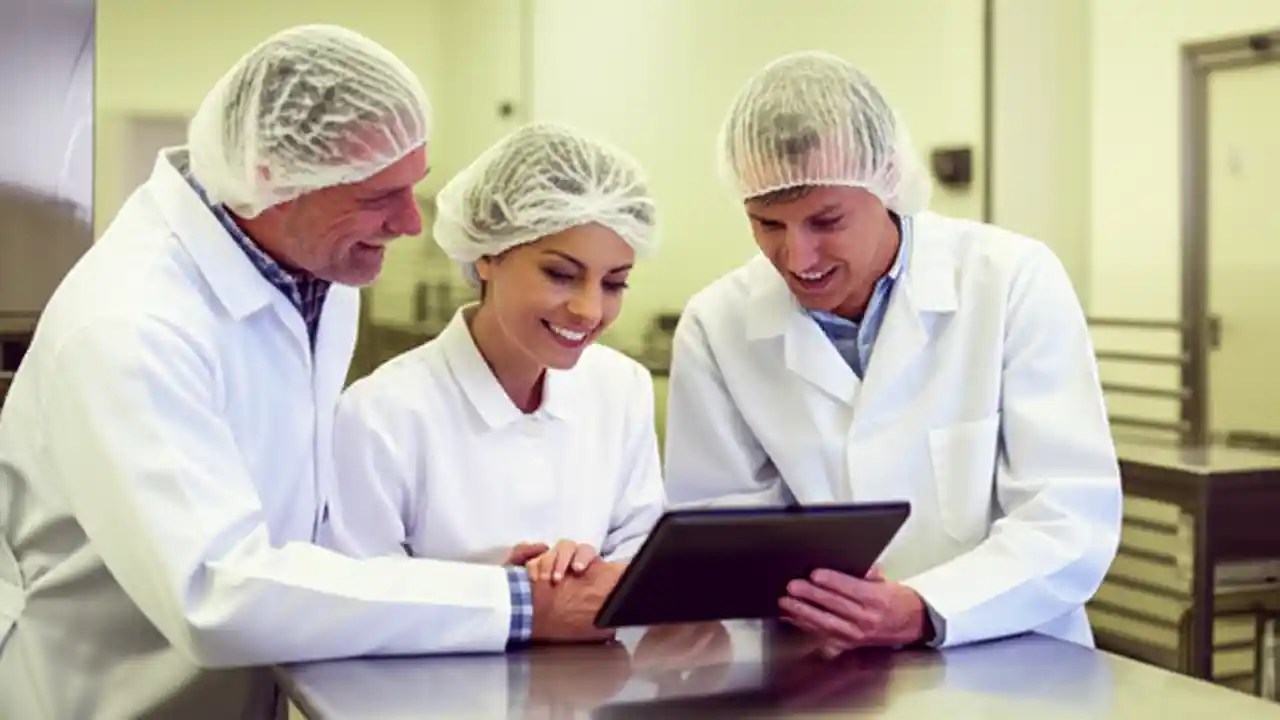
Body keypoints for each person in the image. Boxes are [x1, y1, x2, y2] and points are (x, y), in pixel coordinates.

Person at [0, 26, 615, 720]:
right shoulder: (132, 324)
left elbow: (294, 526)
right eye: (380, 196)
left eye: (413, 186)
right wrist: (520, 606)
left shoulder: (316, 274)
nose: (411, 223)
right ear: (270, 178)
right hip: (101, 696)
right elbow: (215, 591)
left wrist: (464, 583)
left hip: (245, 687)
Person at [663, 50, 1122, 653]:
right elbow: (718, 537)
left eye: (826, 220)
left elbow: (1068, 516)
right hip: (815, 674)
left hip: (1007, 657)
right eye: (768, 225)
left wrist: (923, 608)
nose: (798, 259)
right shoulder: (716, 324)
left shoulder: (1009, 279)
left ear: (887, 179)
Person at [324, 122, 665, 589]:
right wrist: (497, 594)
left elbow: (644, 552)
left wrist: (592, 571)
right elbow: (353, 596)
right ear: (487, 254)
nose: (588, 309)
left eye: (613, 283)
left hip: (601, 664)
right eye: (560, 274)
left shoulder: (621, 388)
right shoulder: (381, 414)